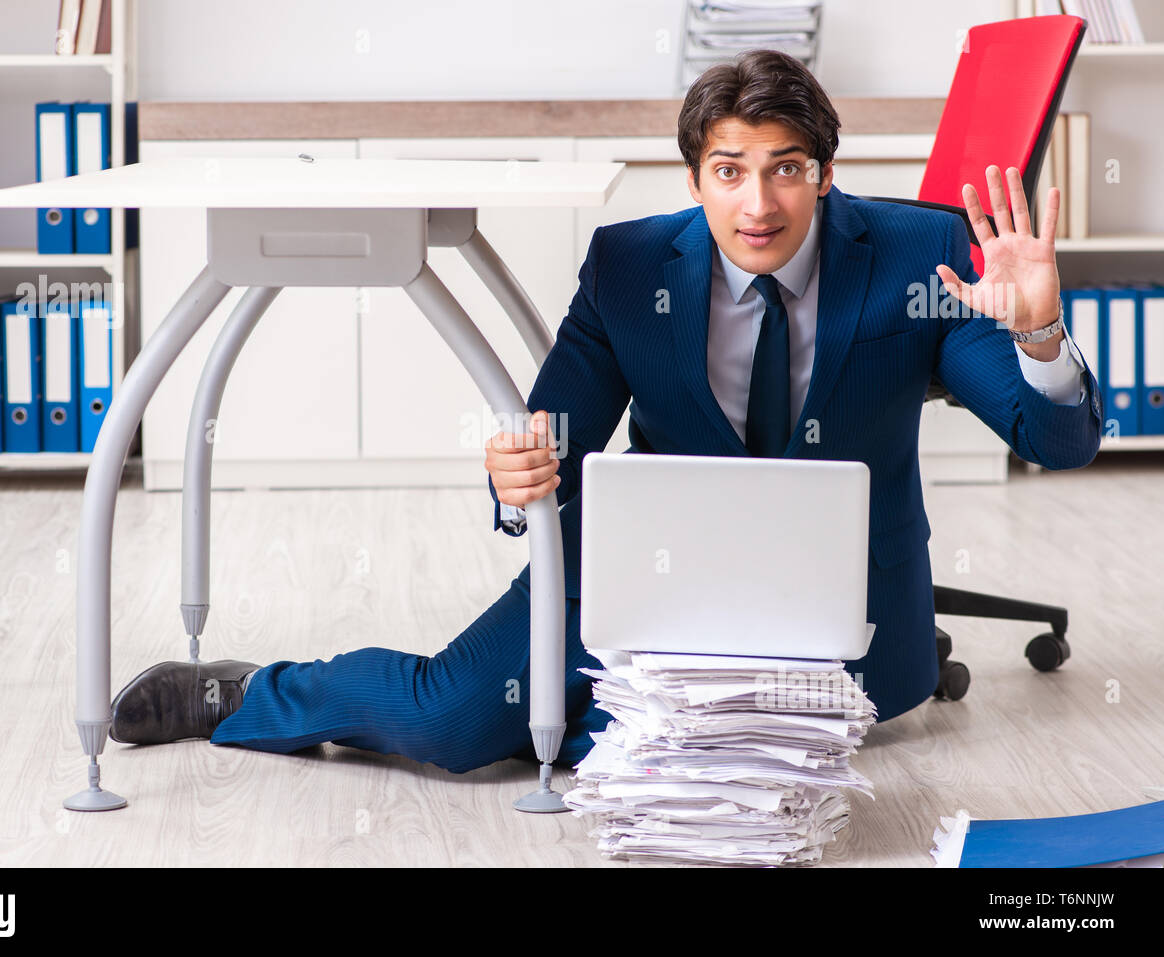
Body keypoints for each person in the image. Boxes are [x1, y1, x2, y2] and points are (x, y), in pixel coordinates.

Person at [107, 51, 1102, 773]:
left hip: (837, 618)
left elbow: (1054, 439)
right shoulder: (630, 267)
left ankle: (632, 720)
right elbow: (556, 432)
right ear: (695, 178)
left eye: (786, 167)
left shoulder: (919, 253)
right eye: (729, 170)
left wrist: (1040, 336)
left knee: (705, 754)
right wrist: (513, 480)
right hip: (644, 576)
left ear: (825, 171)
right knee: (457, 723)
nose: (757, 202)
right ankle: (243, 694)